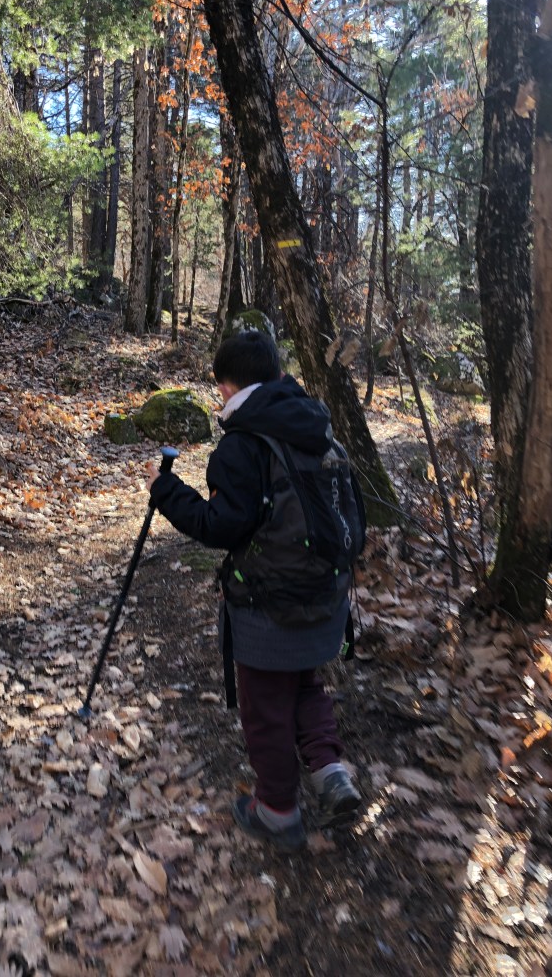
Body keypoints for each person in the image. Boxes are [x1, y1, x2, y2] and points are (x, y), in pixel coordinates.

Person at [145, 330, 361, 852]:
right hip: (325, 594)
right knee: (305, 684)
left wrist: (166, 489)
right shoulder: (317, 429)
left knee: (265, 705)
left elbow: (221, 527)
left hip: (267, 603)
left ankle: (278, 812)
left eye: (219, 388)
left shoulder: (242, 445)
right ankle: (331, 771)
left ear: (227, 383)